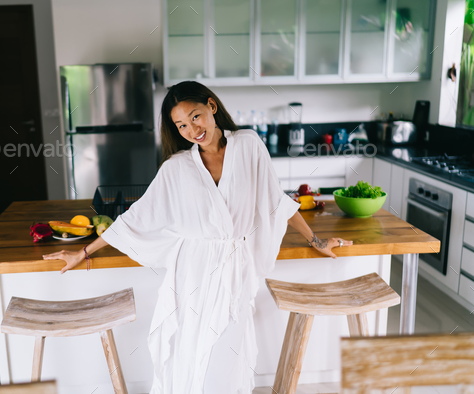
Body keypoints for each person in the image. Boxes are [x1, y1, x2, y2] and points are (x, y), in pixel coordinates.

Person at [43, 81, 353, 393]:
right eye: (181, 125)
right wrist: (82, 253)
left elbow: (276, 200)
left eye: (195, 117)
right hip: (192, 276)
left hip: (235, 271)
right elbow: (135, 219)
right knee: (189, 359)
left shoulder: (248, 145)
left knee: (227, 359)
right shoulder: (176, 168)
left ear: (211, 107)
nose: (192, 129)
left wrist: (317, 241)